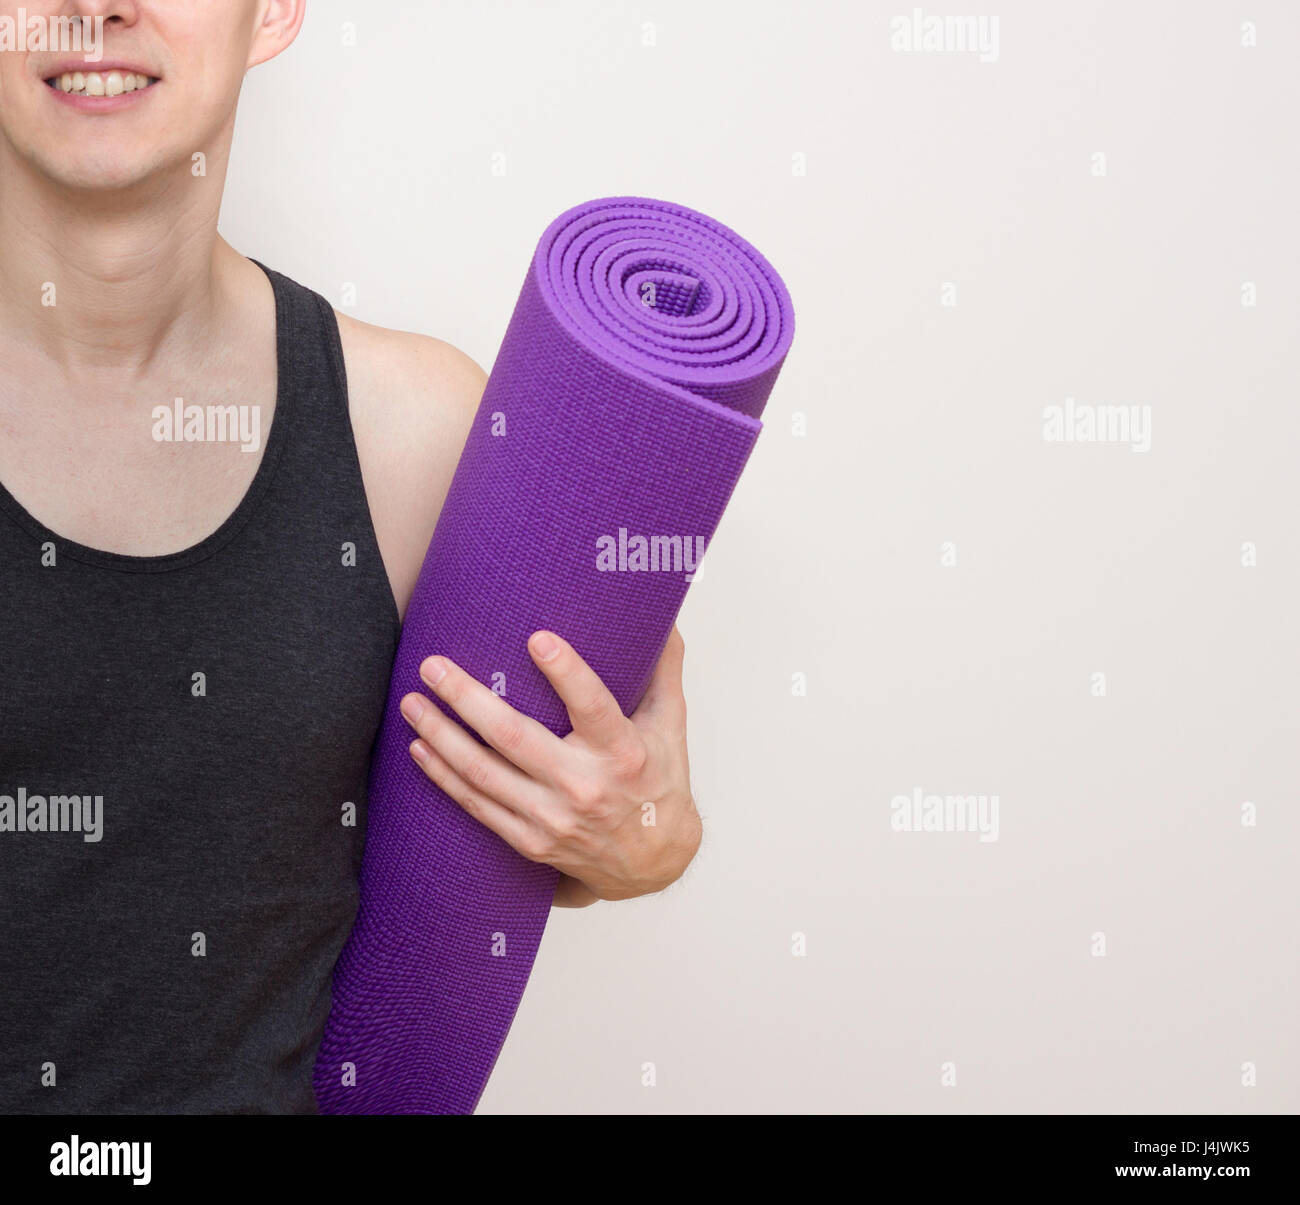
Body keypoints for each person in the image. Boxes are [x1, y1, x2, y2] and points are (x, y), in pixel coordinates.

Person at [0, 0, 701, 1114]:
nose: (97, 7)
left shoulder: (413, 431)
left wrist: (637, 837)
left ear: (271, 11)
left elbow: (490, 831)